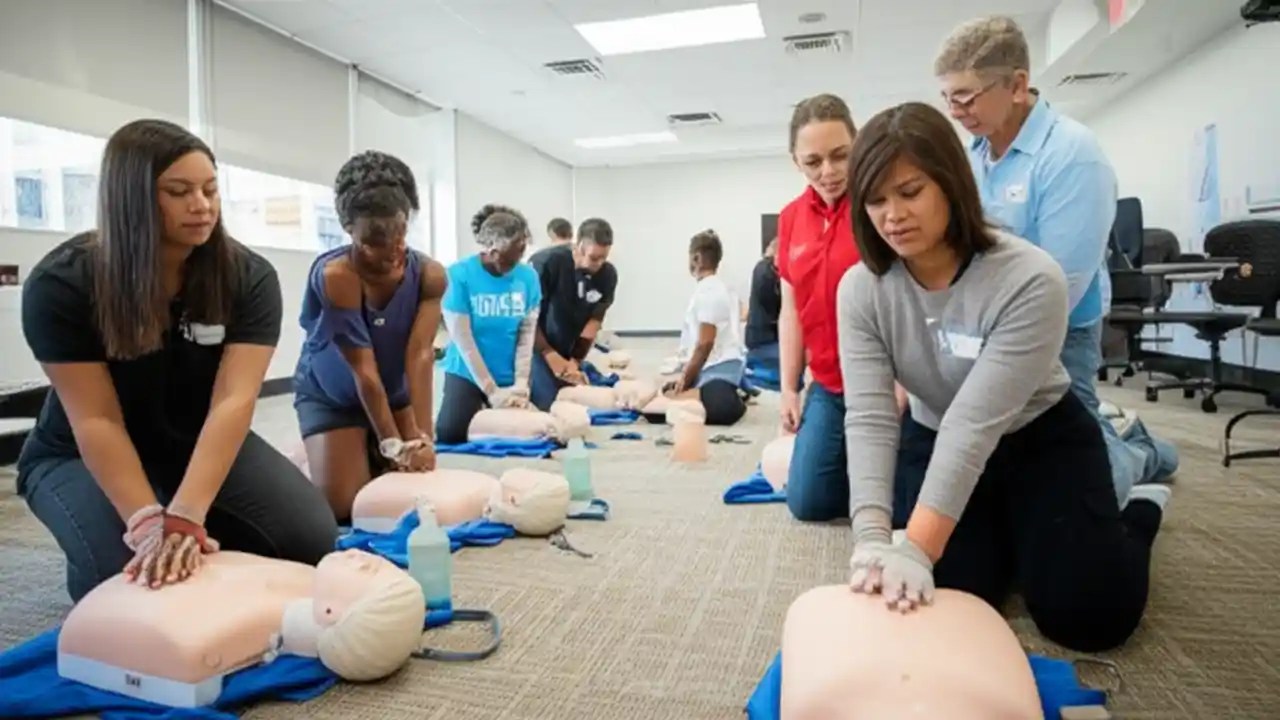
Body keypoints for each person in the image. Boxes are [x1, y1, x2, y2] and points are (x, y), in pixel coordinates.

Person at [838, 101, 1171, 653]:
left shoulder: (1030, 278)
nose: (892, 214)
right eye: (875, 200)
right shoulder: (861, 289)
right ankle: (1023, 535)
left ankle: (1138, 508)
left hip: (1038, 437)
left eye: (910, 191)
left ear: (950, 184)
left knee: (1088, 618)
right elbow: (871, 415)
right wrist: (873, 541)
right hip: (935, 432)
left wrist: (917, 546)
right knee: (953, 598)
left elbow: (974, 424)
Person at [15, 119, 337, 602]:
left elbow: (234, 400)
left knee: (311, 538)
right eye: (179, 191)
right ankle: (106, 536)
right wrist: (146, 521)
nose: (202, 205)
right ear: (134, 198)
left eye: (210, 189)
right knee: (127, 575)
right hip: (76, 454)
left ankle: (181, 514)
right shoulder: (62, 284)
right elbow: (97, 418)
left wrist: (188, 510)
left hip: (193, 438)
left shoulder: (248, 278)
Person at [935, 15, 1178, 504]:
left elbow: (1060, 286)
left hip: (1060, 332)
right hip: (988, 327)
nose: (956, 111)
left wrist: (997, 352)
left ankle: (1141, 454)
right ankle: (1113, 438)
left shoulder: (1072, 154)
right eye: (948, 98)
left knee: (1083, 493)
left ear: (1018, 85)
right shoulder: (976, 154)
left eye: (967, 96)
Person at [292, 150, 447, 522]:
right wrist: (393, 443)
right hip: (333, 396)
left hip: (394, 396)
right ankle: (308, 457)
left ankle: (364, 449)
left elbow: (420, 356)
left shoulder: (430, 275)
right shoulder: (336, 276)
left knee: (410, 486)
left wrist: (423, 438)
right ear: (349, 229)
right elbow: (364, 371)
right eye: (375, 241)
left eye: (400, 233)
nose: (394, 250)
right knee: (345, 510)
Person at [774, 93, 863, 522]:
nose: (827, 172)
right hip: (828, 382)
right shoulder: (791, 218)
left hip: (886, 382)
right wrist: (789, 388)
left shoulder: (879, 205)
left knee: (901, 506)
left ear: (857, 144)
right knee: (808, 503)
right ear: (796, 161)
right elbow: (790, 309)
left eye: (840, 155)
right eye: (813, 162)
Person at [434, 205, 541, 444]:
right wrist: (490, 390)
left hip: (508, 371)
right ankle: (481, 405)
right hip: (467, 371)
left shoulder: (529, 277)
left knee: (536, 428)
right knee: (451, 434)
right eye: (509, 258)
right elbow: (464, 340)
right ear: (491, 251)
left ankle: (488, 412)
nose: (515, 264)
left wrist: (521, 383)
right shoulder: (458, 275)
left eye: (520, 256)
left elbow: (526, 336)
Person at [528, 218, 618, 411]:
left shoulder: (608, 275)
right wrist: (548, 354)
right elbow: (527, 319)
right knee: (549, 403)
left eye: (604, 257)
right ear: (578, 247)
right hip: (534, 345)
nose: (600, 263)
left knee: (578, 396)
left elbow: (593, 323)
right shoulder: (546, 263)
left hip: (567, 346)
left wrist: (575, 361)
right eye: (594, 258)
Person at [663, 230, 747, 426]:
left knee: (717, 411)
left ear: (696, 258)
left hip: (718, 369)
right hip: (711, 368)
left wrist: (686, 378)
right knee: (669, 395)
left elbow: (705, 343)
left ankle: (732, 397)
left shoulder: (710, 291)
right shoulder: (712, 288)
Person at [744, 238, 783, 388]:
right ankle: (750, 373)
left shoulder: (761, 269)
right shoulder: (766, 272)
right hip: (763, 341)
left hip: (759, 339)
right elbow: (775, 307)